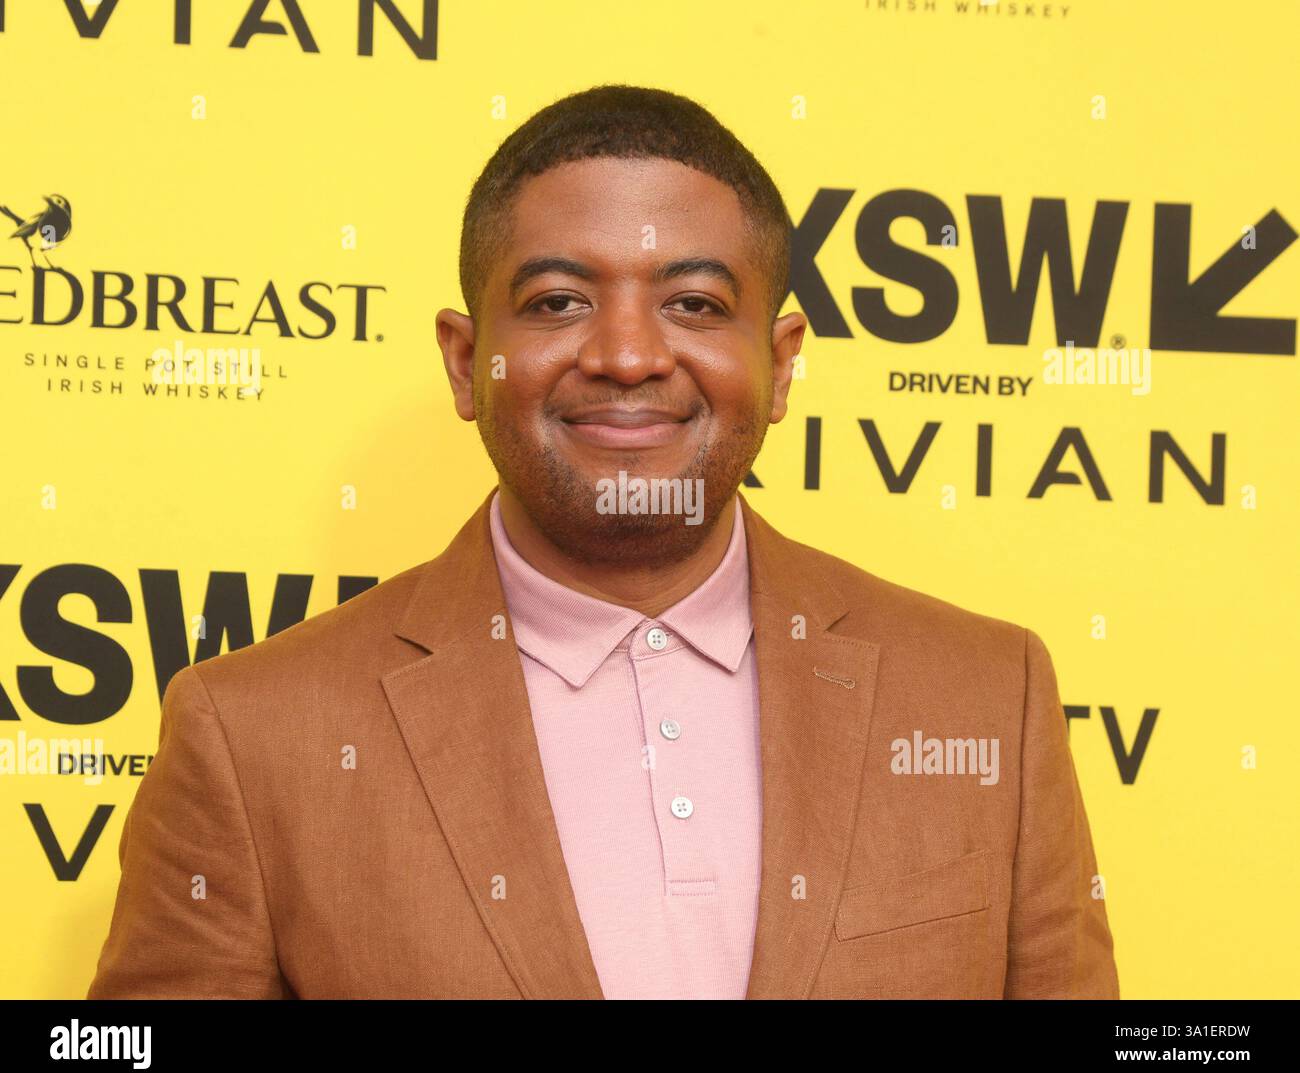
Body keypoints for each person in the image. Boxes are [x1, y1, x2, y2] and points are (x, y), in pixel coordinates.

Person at [87, 84, 1119, 1000]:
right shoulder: (253, 735)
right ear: (465, 361)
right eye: (557, 302)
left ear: (781, 361)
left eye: (693, 303)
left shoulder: (988, 697)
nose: (627, 356)